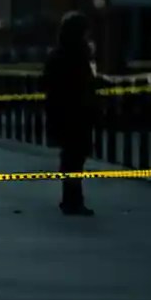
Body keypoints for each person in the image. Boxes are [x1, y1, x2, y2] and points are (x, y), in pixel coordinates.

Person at [42, 11, 100, 216]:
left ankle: (71, 198)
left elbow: (47, 84)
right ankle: (73, 200)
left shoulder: (57, 55)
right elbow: (84, 84)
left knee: (70, 157)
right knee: (75, 158)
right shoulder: (77, 56)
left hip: (63, 113)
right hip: (76, 114)